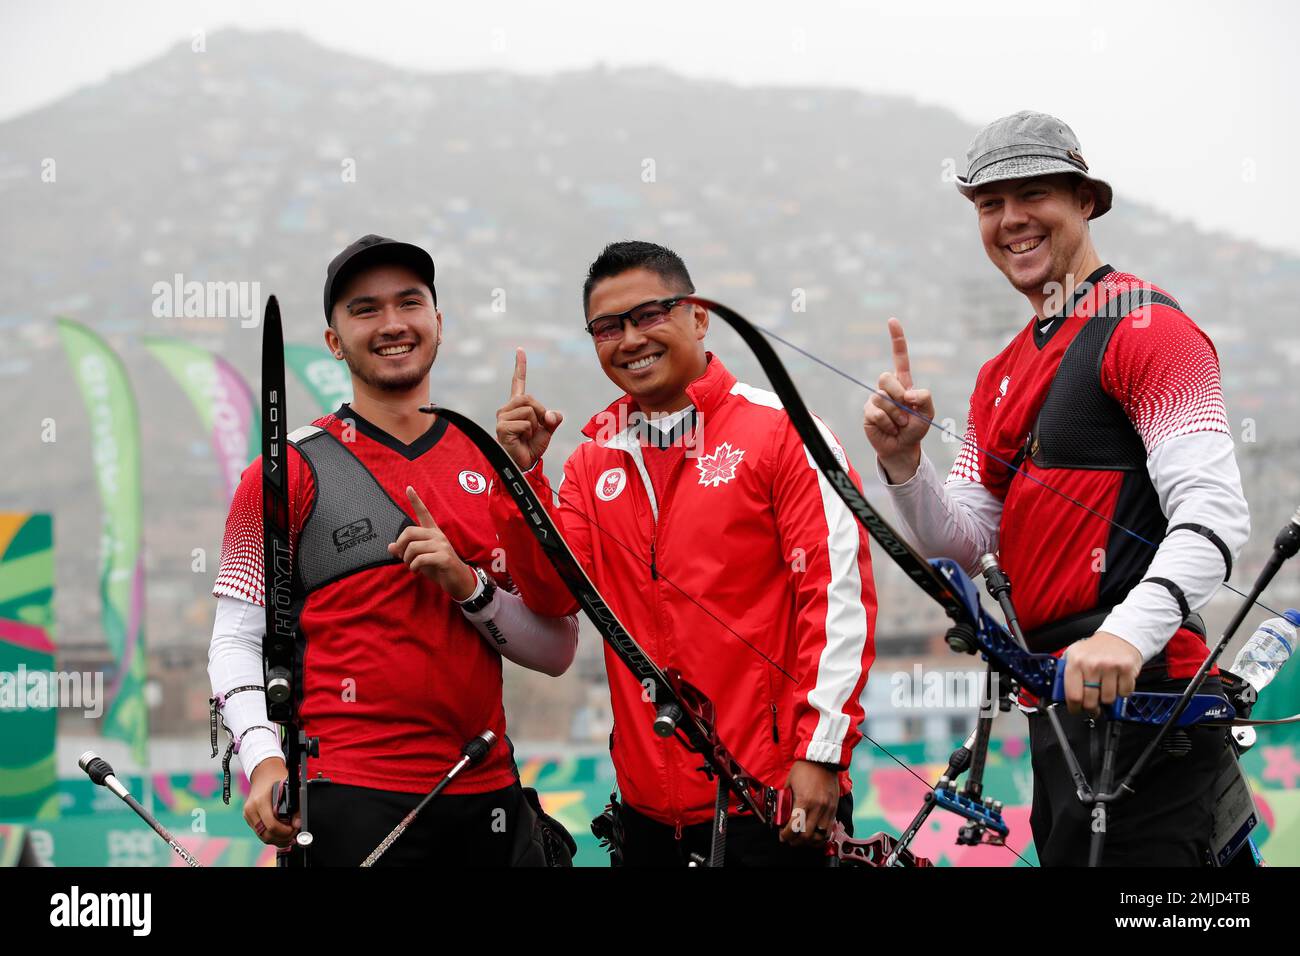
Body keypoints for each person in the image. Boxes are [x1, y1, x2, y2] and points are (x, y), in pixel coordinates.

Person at [863, 111, 1250, 865]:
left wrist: (1123, 637)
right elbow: (965, 544)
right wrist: (906, 465)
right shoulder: (996, 374)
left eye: (1032, 195)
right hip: (1061, 705)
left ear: (1084, 200)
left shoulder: (1147, 328)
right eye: (988, 205)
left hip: (1149, 699)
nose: (1010, 221)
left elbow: (1215, 518)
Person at [491, 240, 877, 866]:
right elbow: (556, 594)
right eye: (607, 327)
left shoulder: (782, 430)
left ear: (698, 316)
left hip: (772, 801)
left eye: (649, 314)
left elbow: (838, 599)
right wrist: (521, 482)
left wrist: (821, 752)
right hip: (646, 817)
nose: (630, 339)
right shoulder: (593, 460)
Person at [207, 234, 578, 866]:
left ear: (439, 322)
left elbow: (556, 650)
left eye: (410, 303)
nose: (392, 324)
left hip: (488, 796)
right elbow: (236, 641)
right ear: (334, 341)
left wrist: (469, 587)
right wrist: (265, 761)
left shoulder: (498, 463)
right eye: (365, 309)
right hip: (349, 797)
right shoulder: (285, 471)